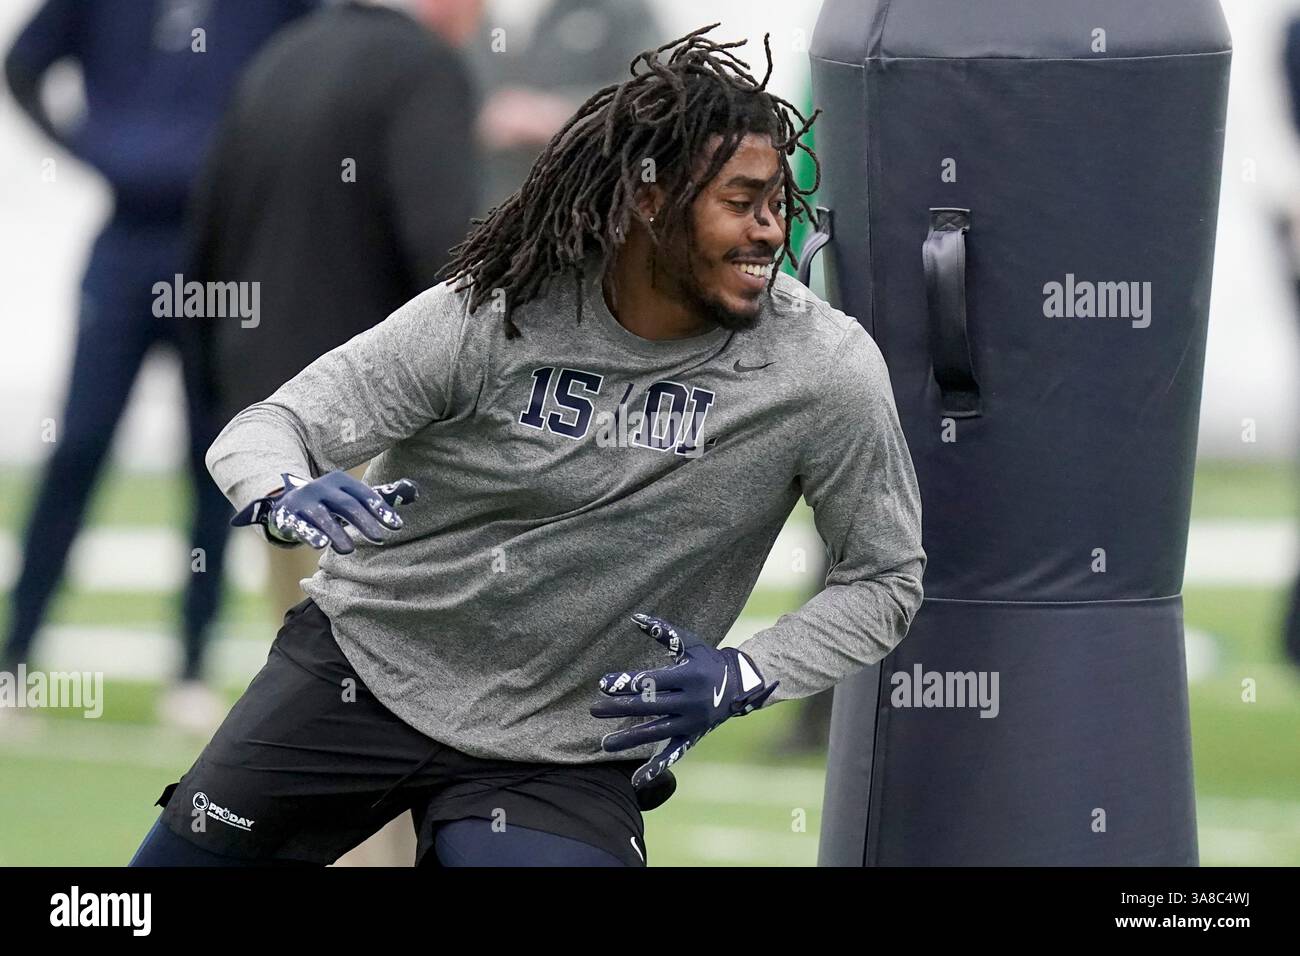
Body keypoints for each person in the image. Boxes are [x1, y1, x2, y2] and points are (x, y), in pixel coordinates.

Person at [129, 23, 926, 867]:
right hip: (362, 674)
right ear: (650, 199)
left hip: (562, 753)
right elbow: (267, 426)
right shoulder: (494, 312)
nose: (771, 230)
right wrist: (286, 492)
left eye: (777, 203)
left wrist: (747, 672)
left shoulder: (822, 369)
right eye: (740, 203)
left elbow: (885, 575)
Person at [184, 0, 485, 864]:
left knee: (316, 701)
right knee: (393, 715)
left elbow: (205, 240)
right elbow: (451, 263)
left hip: (279, 442)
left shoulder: (278, 58)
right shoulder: (422, 68)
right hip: (374, 446)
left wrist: (231, 407)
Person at [1, 0, 316, 732]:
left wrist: (261, 168)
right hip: (125, 243)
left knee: (214, 455)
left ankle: (191, 664)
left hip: (223, 248)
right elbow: (23, 63)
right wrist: (87, 144)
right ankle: (17, 658)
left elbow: (315, 64)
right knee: (77, 445)